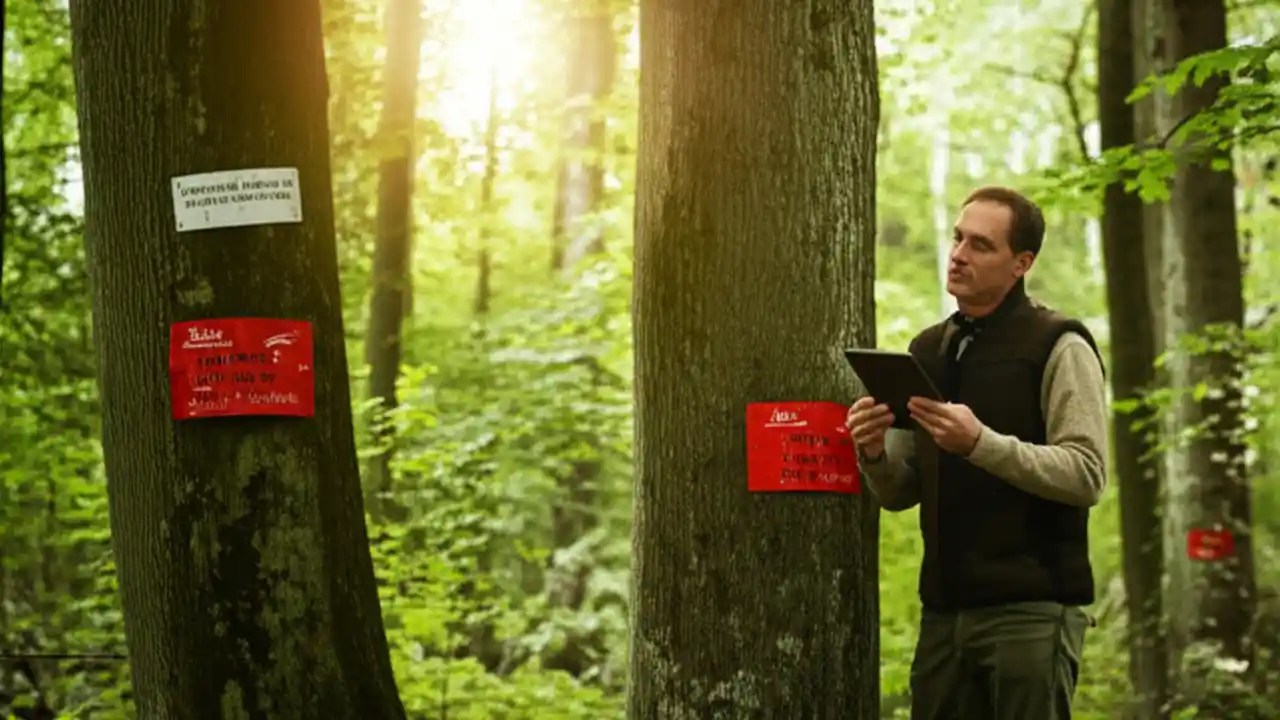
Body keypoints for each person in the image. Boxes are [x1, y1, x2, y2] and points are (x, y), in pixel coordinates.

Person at [846, 186, 1108, 720]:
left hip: (1032, 612)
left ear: (1021, 263)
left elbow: (1086, 474)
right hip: (944, 614)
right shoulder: (926, 350)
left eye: (981, 245)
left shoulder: (1059, 345)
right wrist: (872, 453)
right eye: (958, 237)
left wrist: (980, 444)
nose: (959, 254)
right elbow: (900, 492)